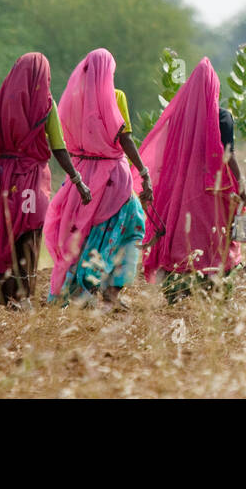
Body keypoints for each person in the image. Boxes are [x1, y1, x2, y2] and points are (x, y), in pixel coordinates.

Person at [0, 53, 91, 306]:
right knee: (26, 232)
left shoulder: (1, 100)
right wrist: (77, 180)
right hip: (31, 182)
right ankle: (19, 295)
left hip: (1, 178)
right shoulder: (46, 106)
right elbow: (59, 147)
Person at [43, 48, 153, 308]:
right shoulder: (116, 97)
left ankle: (79, 290)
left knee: (82, 230)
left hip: (80, 174)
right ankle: (108, 292)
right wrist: (144, 172)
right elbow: (124, 137)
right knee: (132, 227)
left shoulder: (74, 99)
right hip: (113, 176)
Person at [138, 57, 246, 302]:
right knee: (215, 239)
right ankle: (213, 288)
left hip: (180, 189)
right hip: (213, 189)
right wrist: (242, 186)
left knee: (181, 235)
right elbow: (229, 155)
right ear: (214, 88)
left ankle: (176, 290)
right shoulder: (222, 117)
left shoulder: (178, 117)